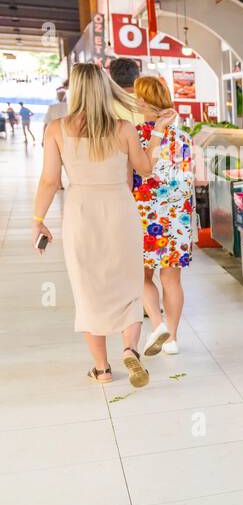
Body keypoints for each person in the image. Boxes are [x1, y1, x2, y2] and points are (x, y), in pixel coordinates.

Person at [31, 63, 175, 386]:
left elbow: (50, 180)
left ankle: (102, 369)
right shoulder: (123, 128)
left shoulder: (57, 129)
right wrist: (156, 137)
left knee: (88, 290)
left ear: (75, 92)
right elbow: (146, 169)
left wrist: (38, 219)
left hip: (82, 214)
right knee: (128, 286)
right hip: (121, 212)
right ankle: (130, 350)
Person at [132, 75, 195, 356]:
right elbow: (191, 179)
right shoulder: (184, 138)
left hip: (143, 213)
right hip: (177, 214)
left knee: (140, 276)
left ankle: (158, 325)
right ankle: (172, 338)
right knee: (172, 280)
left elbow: (136, 173)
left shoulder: (133, 134)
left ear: (143, 101)